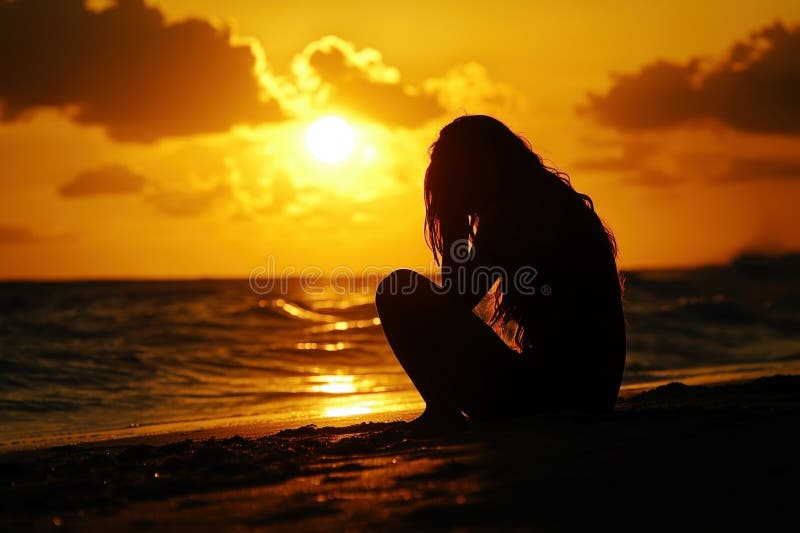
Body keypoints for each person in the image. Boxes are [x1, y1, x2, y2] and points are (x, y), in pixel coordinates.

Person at [375, 115, 626, 427]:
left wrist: (454, 227)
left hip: (553, 398)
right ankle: (443, 410)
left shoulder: (515, 215)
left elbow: (455, 299)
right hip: (592, 395)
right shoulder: (552, 201)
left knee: (396, 289)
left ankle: (442, 412)